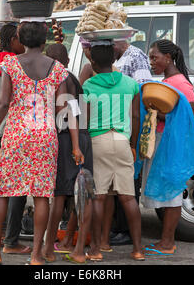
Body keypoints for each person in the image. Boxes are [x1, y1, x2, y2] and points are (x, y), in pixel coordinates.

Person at [0, 21, 84, 265]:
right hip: (46, 135)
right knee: (42, 195)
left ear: (21, 40)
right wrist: (75, 146)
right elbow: (64, 109)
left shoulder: (11, 65)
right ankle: (36, 256)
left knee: (3, 191)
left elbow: (2, 104)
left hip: (16, 134)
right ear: (44, 41)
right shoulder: (57, 69)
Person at [82, 40, 144, 262]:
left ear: (93, 63)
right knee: (128, 198)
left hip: (97, 141)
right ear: (115, 60)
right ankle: (138, 250)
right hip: (122, 140)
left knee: (98, 198)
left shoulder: (88, 86)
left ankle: (96, 249)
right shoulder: (130, 84)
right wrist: (132, 144)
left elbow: (83, 120)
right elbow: (136, 117)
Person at [142, 39, 194, 255]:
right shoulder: (168, 80)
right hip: (163, 140)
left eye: (154, 57)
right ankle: (165, 241)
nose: (151, 61)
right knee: (166, 192)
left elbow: (188, 115)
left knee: (172, 194)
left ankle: (167, 242)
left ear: (168, 58)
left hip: (170, 143)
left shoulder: (180, 84)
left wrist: (154, 110)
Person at [42, 43, 94, 264]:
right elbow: (84, 111)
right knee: (83, 194)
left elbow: (69, 112)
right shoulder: (72, 77)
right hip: (83, 136)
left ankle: (48, 248)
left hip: (68, 139)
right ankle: (79, 248)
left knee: (60, 196)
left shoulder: (59, 78)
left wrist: (74, 146)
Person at [0, 23, 31, 254]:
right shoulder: (19, 66)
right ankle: (11, 241)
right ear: (13, 41)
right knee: (17, 188)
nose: (25, 44)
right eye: (21, 39)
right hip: (15, 132)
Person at [106, 40, 153, 247]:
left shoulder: (135, 56)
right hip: (120, 129)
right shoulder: (119, 62)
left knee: (124, 187)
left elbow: (144, 93)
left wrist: (134, 140)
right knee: (119, 187)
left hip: (125, 129)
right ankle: (123, 235)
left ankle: (123, 231)